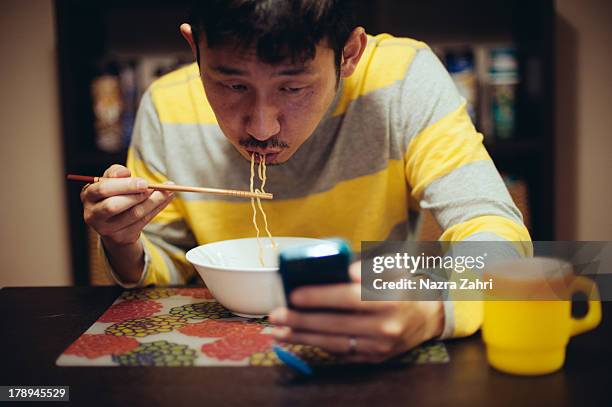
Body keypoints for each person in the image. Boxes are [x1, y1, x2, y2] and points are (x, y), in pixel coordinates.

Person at [80, 0, 531, 363]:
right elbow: (167, 267)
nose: (260, 128)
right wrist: (124, 242)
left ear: (349, 54)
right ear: (194, 46)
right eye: (233, 86)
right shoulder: (166, 106)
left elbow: (495, 228)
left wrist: (434, 309)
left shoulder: (402, 77)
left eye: (293, 88)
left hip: (375, 351)